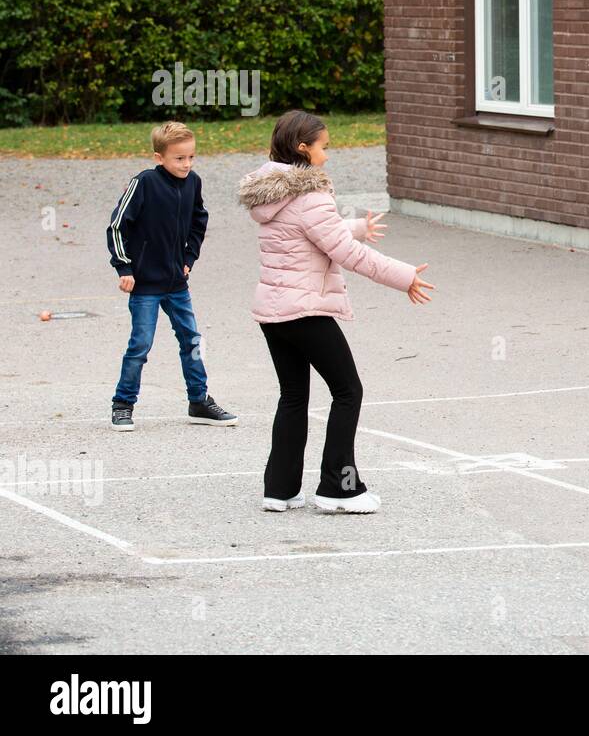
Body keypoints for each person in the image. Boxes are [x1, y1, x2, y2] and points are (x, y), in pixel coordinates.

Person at [237, 110, 434, 513]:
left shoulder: (275, 192)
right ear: (302, 148)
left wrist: (357, 226)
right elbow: (342, 251)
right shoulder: (309, 194)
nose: (328, 155)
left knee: (293, 395)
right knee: (348, 391)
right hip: (306, 311)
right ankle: (338, 488)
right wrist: (403, 275)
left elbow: (310, 230)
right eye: (323, 147)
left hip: (274, 313)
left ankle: (279, 489)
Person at [107, 121, 237, 432]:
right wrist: (124, 267)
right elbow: (117, 226)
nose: (186, 164)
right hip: (145, 285)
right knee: (140, 345)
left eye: (191, 157)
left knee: (191, 340)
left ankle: (199, 401)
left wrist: (189, 257)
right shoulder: (144, 183)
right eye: (179, 158)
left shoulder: (193, 182)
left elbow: (198, 220)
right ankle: (123, 404)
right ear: (159, 157)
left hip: (177, 283)